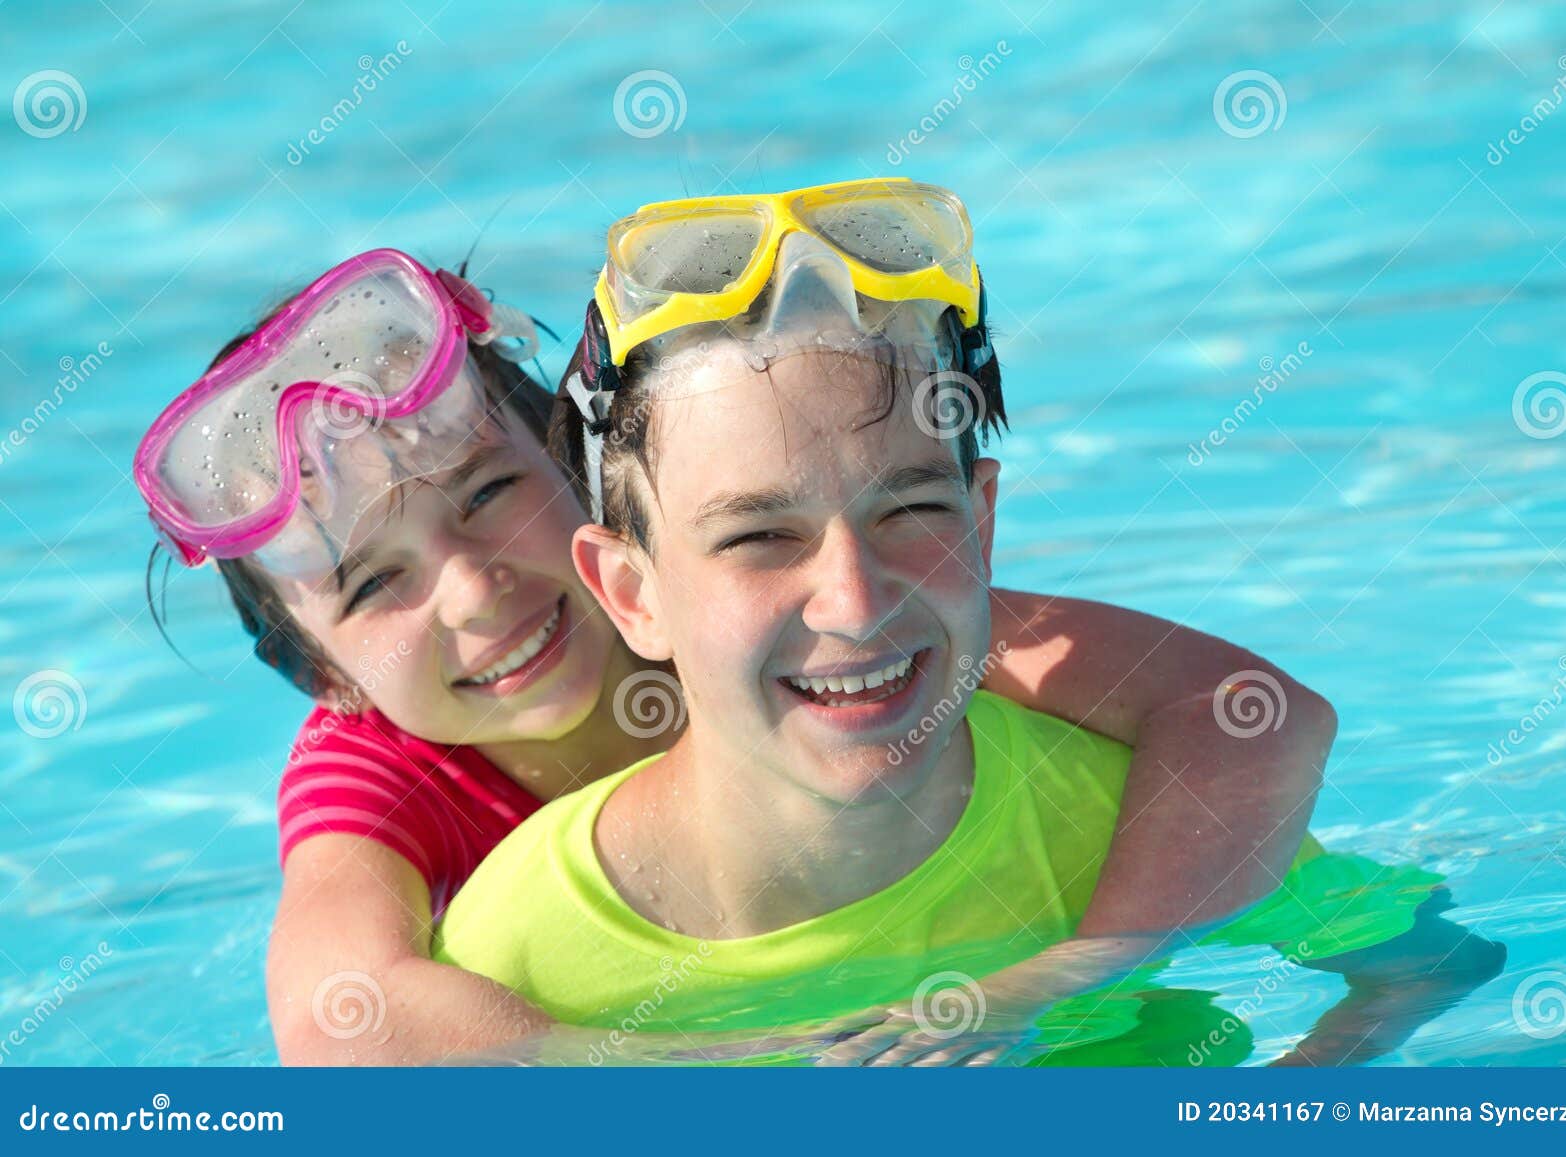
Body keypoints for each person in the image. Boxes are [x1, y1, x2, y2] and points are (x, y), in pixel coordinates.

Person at [135, 231, 1333, 1065]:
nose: (473, 586)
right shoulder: (377, 773)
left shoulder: (792, 598)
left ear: (590, 484)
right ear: (331, 677)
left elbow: (1252, 714)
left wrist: (1074, 972)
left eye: (490, 489)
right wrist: (734, 1064)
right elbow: (343, 1026)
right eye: (376, 579)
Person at [433, 178, 1502, 1065]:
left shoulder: (1128, 824)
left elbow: (1425, 964)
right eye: (759, 537)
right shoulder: (520, 954)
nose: (854, 600)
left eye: (909, 511)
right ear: (631, 592)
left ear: (981, 523)